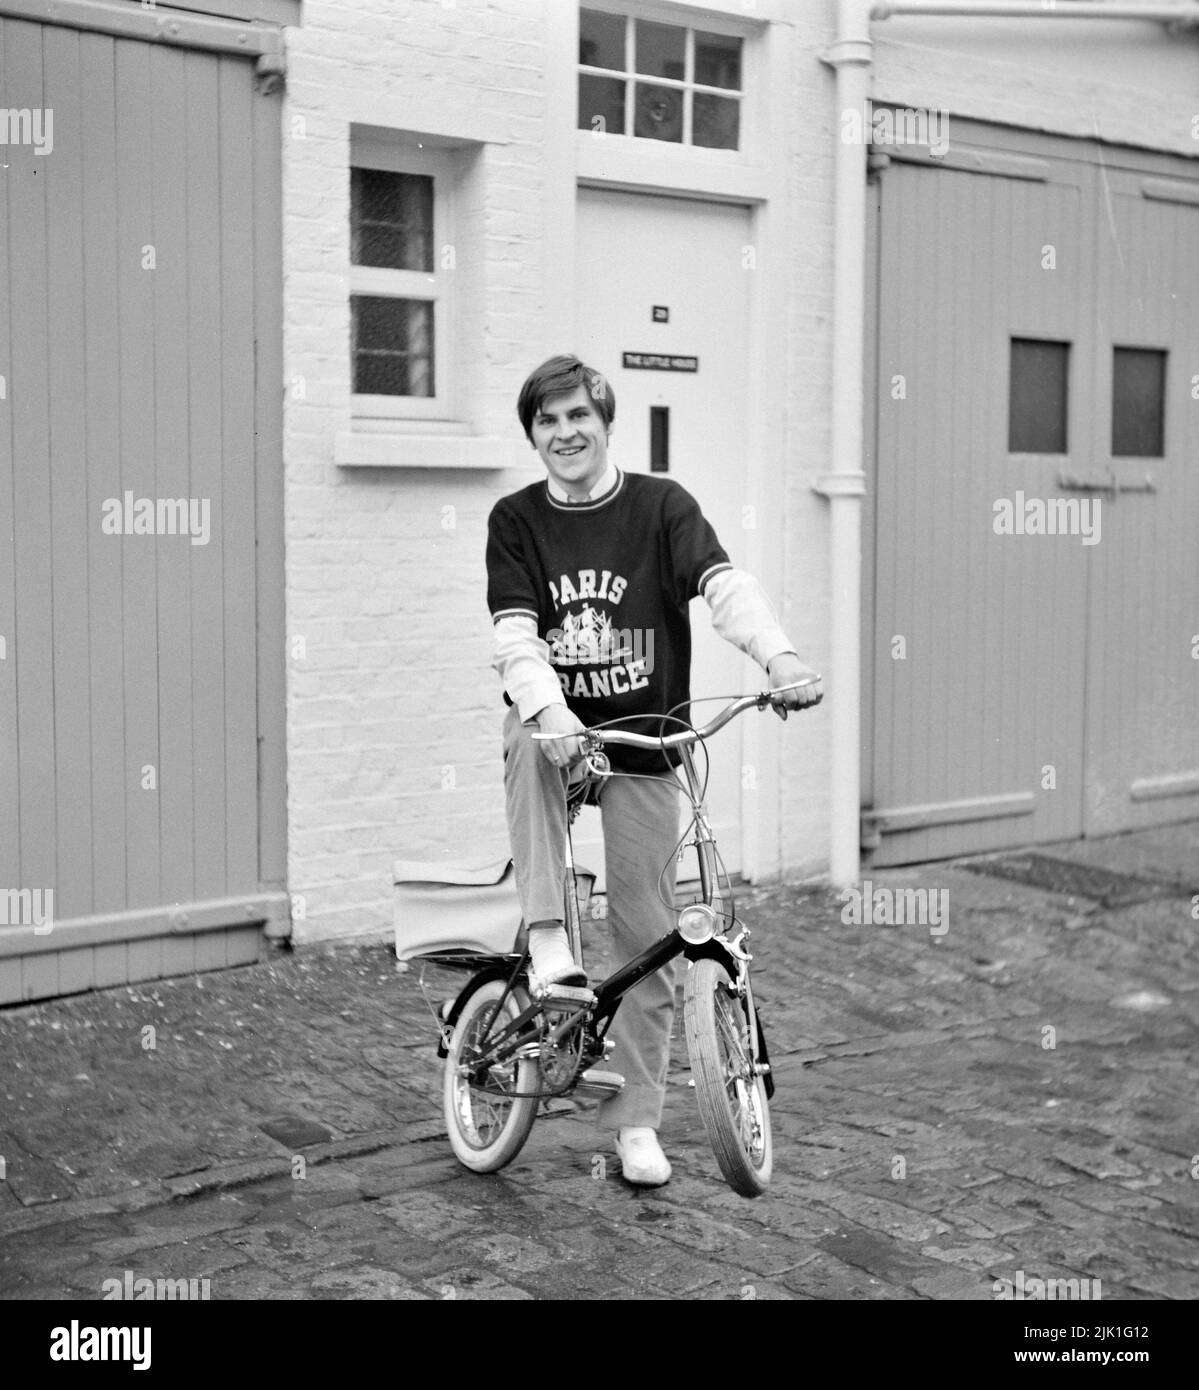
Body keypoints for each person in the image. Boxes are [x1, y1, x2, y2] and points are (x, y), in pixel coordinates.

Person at [486, 354, 821, 1186]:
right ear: (533, 433)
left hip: (644, 743)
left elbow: (723, 586)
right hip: (564, 736)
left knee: (648, 938)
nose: (564, 433)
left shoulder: (661, 506)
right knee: (524, 733)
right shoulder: (516, 518)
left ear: (605, 422)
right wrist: (550, 709)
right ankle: (547, 936)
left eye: (578, 417)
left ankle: (635, 1123)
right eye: (547, 421)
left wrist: (777, 657)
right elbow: (515, 637)